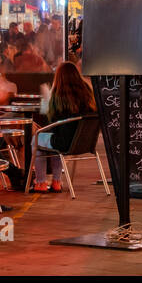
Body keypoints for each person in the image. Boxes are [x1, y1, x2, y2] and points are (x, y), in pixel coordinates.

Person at [30, 61, 97, 193]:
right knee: (56, 139)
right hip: (83, 142)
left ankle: (41, 182)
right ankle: (57, 182)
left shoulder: (58, 94)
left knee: (36, 139)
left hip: (64, 143)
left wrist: (47, 100)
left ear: (58, 77)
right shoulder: (87, 91)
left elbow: (50, 118)